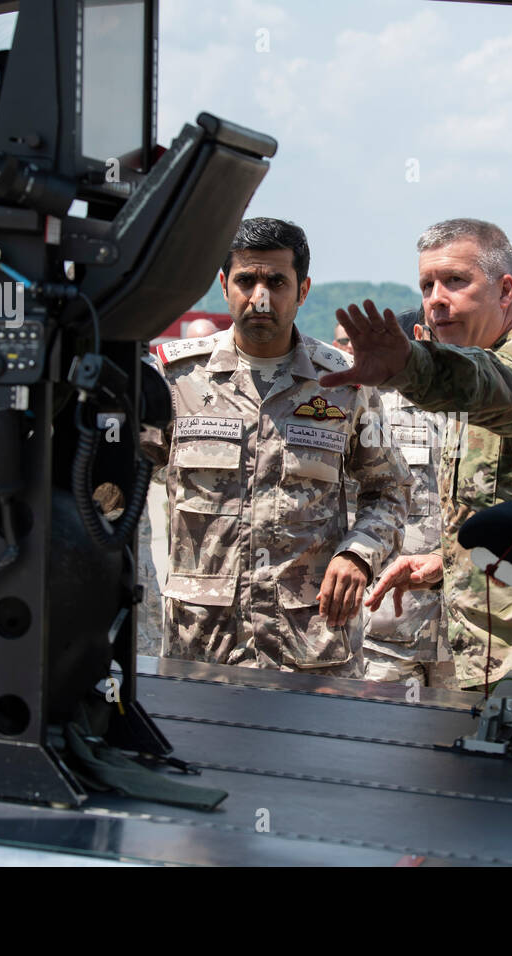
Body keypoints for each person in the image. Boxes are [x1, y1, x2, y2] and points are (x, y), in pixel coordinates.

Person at [327, 218, 512, 690]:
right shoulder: (468, 381)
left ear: (505, 291)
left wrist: (411, 365)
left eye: (456, 281)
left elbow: (507, 391)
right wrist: (447, 563)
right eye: (427, 285)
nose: (437, 298)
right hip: (494, 666)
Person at [149, 218, 410, 676]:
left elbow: (389, 490)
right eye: (246, 280)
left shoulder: (343, 384)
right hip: (202, 646)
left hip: (311, 649)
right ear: (223, 285)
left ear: (303, 289)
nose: (260, 297)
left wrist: (358, 555)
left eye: (276, 282)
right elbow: (117, 492)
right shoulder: (176, 381)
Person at [361, 309, 453, 687]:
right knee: (381, 740)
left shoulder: (484, 411)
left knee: (457, 739)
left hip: (461, 638)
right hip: (390, 631)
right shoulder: (375, 411)